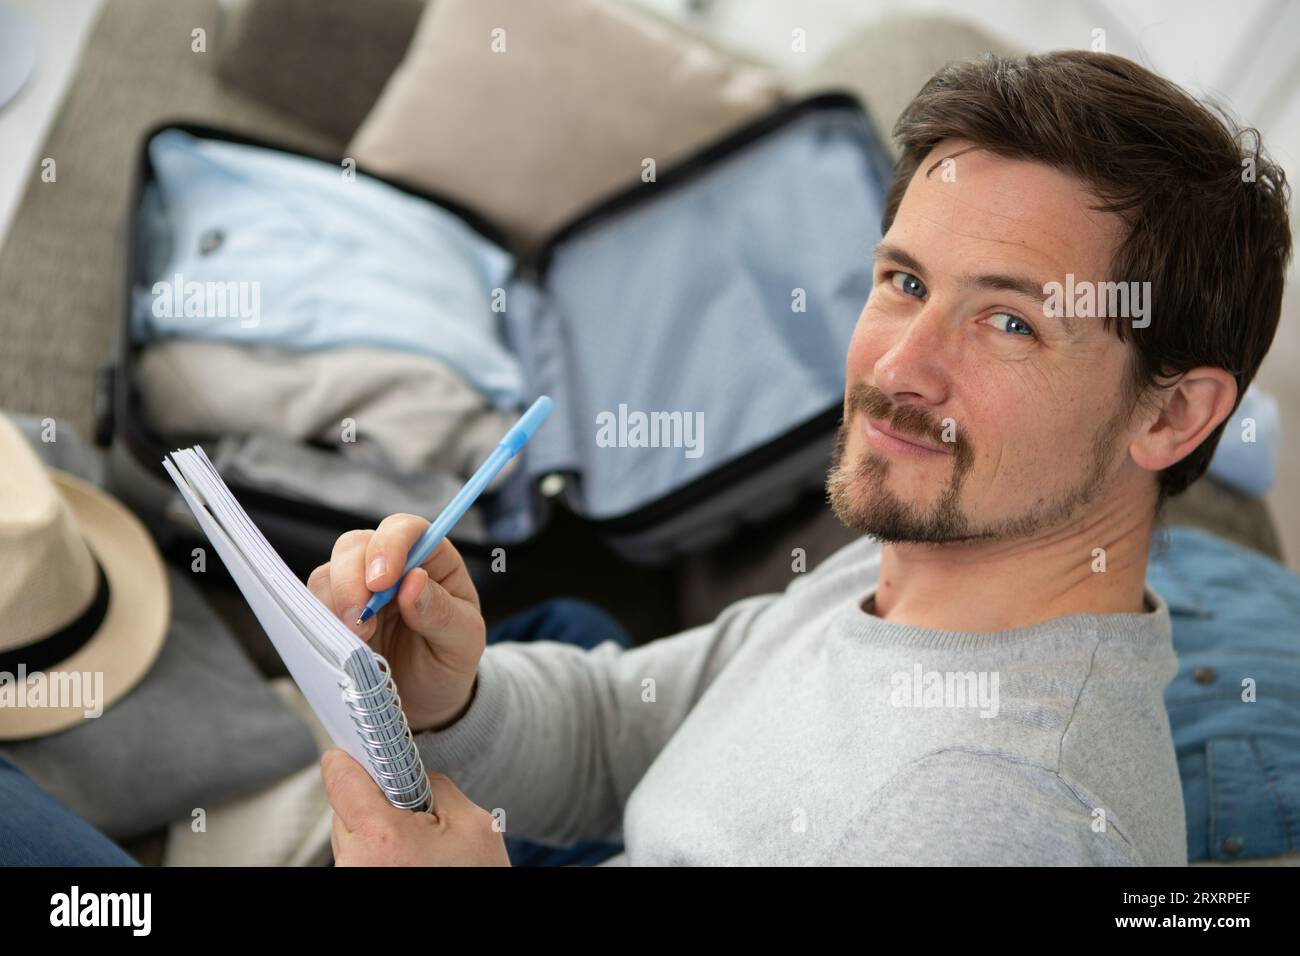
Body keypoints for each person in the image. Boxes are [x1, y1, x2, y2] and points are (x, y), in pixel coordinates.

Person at [316, 50, 1292, 865]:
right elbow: (630, 734)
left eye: (1007, 319)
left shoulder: (995, 812)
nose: (898, 365)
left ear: (1171, 417)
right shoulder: (911, 562)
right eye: (904, 281)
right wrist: (451, 699)